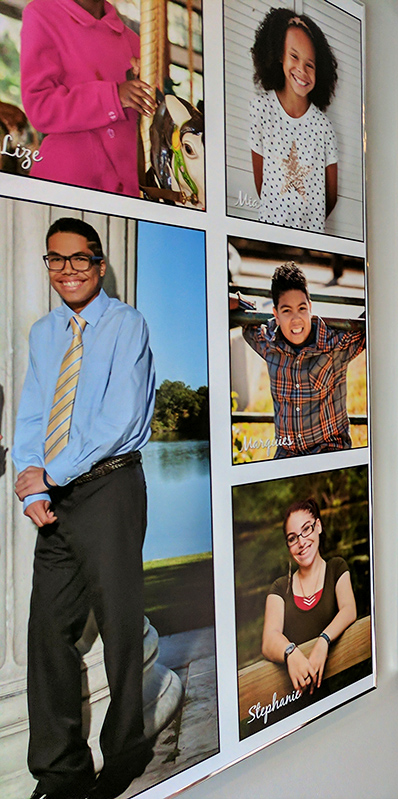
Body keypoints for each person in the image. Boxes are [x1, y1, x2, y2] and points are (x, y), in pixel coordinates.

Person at [12, 218, 156, 799]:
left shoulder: (127, 325)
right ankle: (59, 770)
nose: (67, 269)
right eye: (55, 259)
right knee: (47, 630)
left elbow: (120, 418)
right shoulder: (45, 333)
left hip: (110, 487)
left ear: (99, 265)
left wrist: (54, 472)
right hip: (57, 495)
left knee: (121, 631)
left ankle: (124, 754)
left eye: (79, 259)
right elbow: (31, 416)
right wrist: (32, 485)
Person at [20, 0, 156, 196]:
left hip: (126, 187)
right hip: (70, 177)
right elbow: (41, 106)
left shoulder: (135, 42)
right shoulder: (43, 13)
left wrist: (148, 85)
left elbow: (154, 121)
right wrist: (113, 97)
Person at [240, 262, 365, 457]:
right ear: (276, 315)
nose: (296, 319)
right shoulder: (268, 343)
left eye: (301, 308)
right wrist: (239, 301)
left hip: (329, 454)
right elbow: (245, 319)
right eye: (287, 311)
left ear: (310, 307)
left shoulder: (336, 345)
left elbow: (372, 321)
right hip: (287, 455)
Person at [249, 7, 338, 232]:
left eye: (310, 64)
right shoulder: (260, 109)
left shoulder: (323, 126)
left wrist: (309, 223)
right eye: (294, 56)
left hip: (313, 238)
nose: (301, 69)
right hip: (271, 233)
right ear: (279, 55)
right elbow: (261, 185)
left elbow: (332, 195)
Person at [262, 498, 357, 694]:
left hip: (337, 698)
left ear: (318, 526)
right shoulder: (280, 588)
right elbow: (269, 639)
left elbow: (349, 610)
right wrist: (291, 653)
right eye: (292, 538)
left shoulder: (336, 568)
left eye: (306, 529)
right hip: (294, 705)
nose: (301, 542)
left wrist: (324, 641)